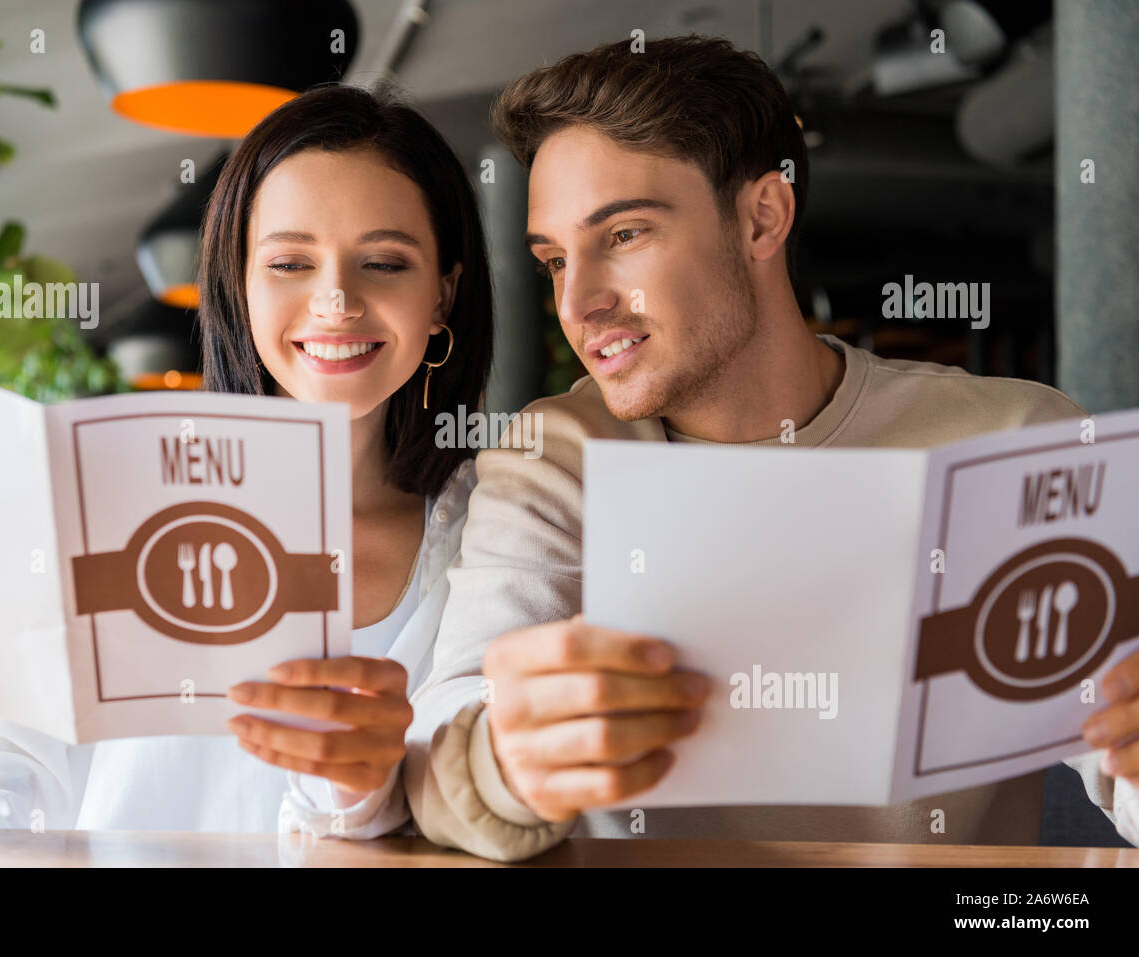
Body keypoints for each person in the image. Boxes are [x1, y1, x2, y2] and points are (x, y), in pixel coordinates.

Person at [401, 35, 1139, 861]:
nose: (579, 302)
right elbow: (441, 748)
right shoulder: (555, 457)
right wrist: (507, 765)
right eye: (554, 260)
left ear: (762, 217)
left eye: (625, 235)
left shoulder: (1012, 441)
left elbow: (1116, 744)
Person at [0, 83, 493, 837]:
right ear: (239, 287)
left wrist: (363, 795)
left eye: (382, 261)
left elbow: (500, 814)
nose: (336, 299)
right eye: (289, 263)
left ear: (443, 292)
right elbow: (7, 797)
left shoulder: (494, 538)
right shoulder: (107, 507)